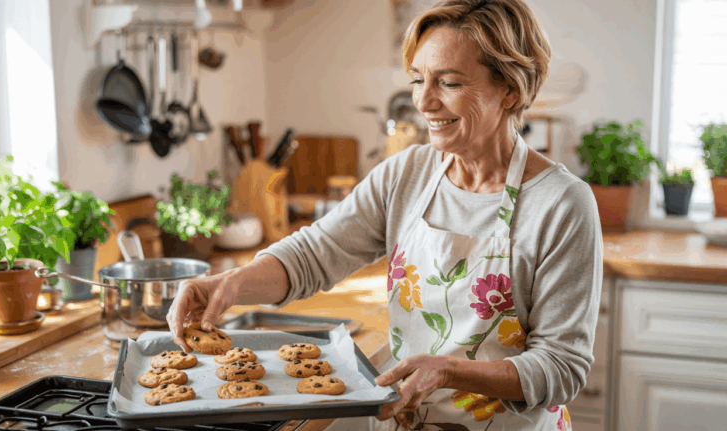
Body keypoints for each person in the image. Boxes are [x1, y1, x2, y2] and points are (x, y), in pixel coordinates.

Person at [166, 0, 603, 429]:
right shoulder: (406, 174)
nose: (424, 102)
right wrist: (229, 283)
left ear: (511, 88)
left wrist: (450, 371)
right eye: (418, 80)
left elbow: (562, 367)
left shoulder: (562, 204)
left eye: (448, 83)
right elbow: (316, 254)